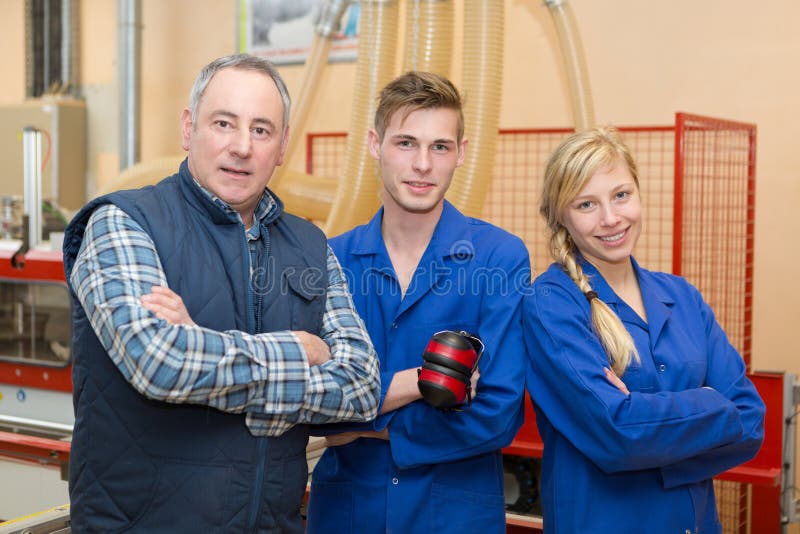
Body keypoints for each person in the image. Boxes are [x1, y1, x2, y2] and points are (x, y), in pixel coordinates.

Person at [62, 53, 381, 533]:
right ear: (189, 129)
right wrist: (299, 349)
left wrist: (204, 351)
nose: (241, 147)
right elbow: (161, 365)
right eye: (224, 123)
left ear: (282, 146)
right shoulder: (123, 223)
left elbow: (360, 387)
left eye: (260, 130)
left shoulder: (311, 246)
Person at [305, 71, 531, 533]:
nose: (423, 164)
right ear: (374, 144)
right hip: (349, 516)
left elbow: (500, 413)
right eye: (406, 143)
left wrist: (364, 425)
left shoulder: (499, 259)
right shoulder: (331, 260)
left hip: (454, 516)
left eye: (440, 147)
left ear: (461, 153)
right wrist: (420, 384)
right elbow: (311, 407)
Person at [524, 127, 765, 533]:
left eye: (621, 195)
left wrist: (645, 431)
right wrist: (709, 402)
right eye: (586, 204)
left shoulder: (681, 297)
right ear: (560, 216)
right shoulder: (551, 304)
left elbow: (752, 419)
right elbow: (616, 433)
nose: (611, 218)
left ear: (639, 192)